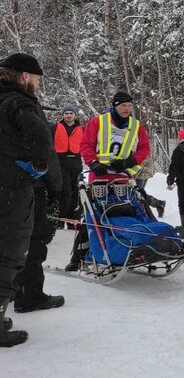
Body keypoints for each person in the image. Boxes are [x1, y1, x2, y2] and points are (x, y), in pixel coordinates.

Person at [0, 52, 53, 347]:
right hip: (11, 190)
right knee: (9, 253)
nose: (38, 84)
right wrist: (37, 166)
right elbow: (41, 137)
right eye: (36, 79)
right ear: (24, 76)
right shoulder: (18, 102)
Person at [65, 90, 151, 271]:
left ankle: (126, 248)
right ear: (115, 106)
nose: (127, 109)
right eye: (123, 106)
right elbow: (86, 145)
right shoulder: (99, 122)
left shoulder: (136, 126)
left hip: (122, 177)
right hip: (99, 177)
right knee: (93, 216)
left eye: (129, 106)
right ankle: (78, 258)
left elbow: (144, 148)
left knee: (125, 214)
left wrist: (130, 162)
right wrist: (93, 162)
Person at [14, 124, 64, 313]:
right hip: (28, 185)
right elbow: (45, 148)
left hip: (8, 185)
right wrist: (55, 186)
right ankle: (30, 295)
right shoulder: (25, 111)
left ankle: (9, 290)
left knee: (9, 240)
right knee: (33, 240)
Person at [51, 104, 83, 226]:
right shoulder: (55, 128)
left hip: (76, 162)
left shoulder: (82, 129)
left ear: (75, 115)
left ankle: (72, 222)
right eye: (66, 113)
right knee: (65, 191)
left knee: (76, 192)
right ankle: (60, 220)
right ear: (63, 115)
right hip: (61, 162)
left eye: (71, 113)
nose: (69, 116)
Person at [134, 151, 166, 218]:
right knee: (140, 194)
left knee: (138, 194)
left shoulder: (139, 147)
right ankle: (159, 204)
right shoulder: (145, 147)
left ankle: (158, 204)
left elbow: (141, 161)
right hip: (144, 172)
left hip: (140, 173)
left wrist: (132, 174)